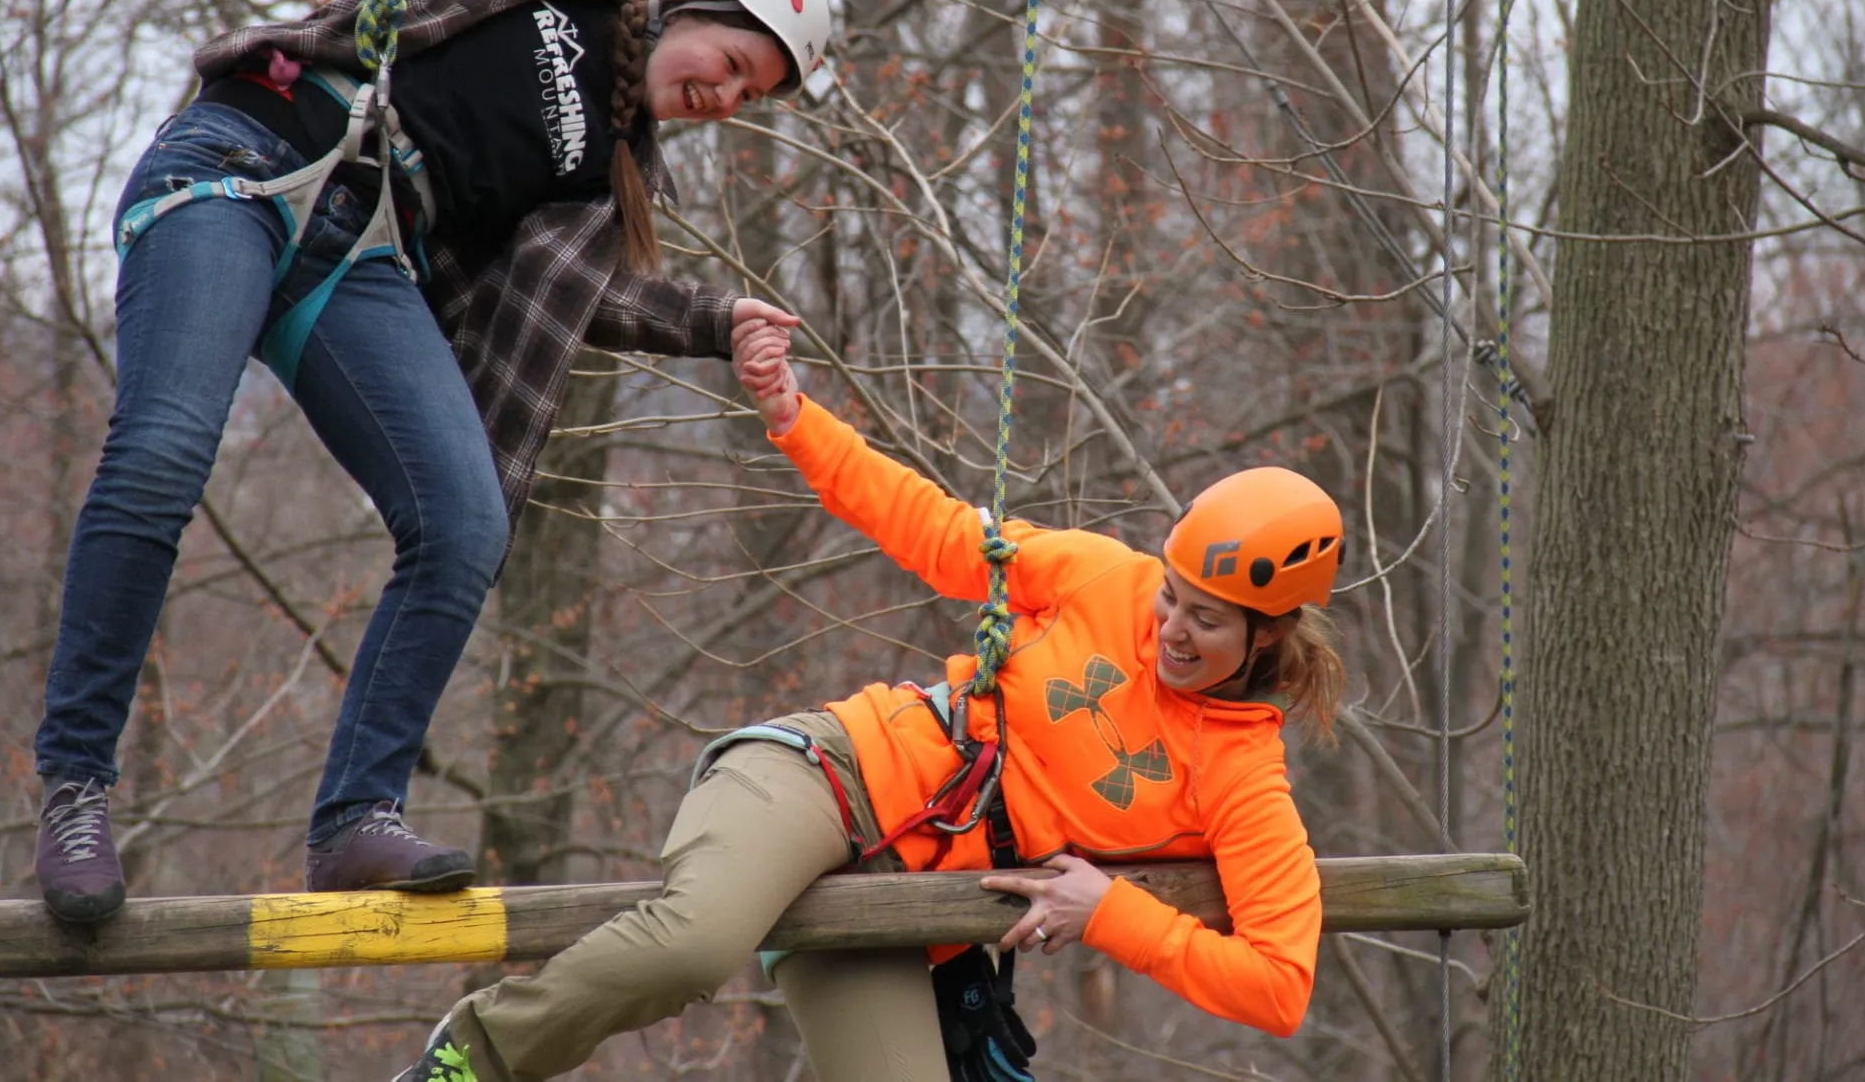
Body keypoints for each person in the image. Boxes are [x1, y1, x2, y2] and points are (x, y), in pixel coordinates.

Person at [31, 0, 829, 924]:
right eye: (737, 63)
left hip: (359, 260)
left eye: (749, 97)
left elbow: (586, 294)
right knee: (163, 452)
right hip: (242, 166)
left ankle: (358, 819)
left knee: (463, 522)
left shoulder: (610, 185)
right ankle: (75, 788)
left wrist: (716, 321)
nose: (725, 97)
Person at [389, 320, 1346, 1082]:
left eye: (1206, 623)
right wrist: (795, 418)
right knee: (694, 945)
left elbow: (1278, 986)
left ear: (1270, 634)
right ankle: (469, 1061)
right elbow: (934, 532)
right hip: (825, 775)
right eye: (1171, 596)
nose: (1169, 627)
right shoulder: (1106, 577)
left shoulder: (1242, 778)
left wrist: (1109, 913)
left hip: (901, 919)